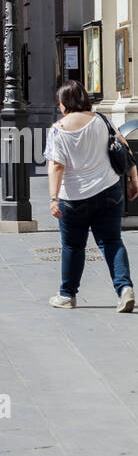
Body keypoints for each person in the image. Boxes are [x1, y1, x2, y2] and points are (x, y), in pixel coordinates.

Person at [45, 80, 137, 311]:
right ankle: (124, 288)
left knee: (73, 246)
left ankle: (67, 295)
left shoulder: (58, 129)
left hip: (73, 198)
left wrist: (53, 198)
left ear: (64, 103)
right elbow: (124, 147)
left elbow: (56, 166)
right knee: (112, 241)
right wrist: (134, 179)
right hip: (108, 190)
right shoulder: (102, 120)